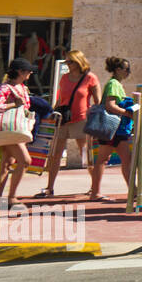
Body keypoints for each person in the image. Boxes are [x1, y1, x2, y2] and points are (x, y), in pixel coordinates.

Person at [41, 50, 101, 197]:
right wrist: (51, 114)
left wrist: (92, 116)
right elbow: (61, 99)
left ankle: (94, 188)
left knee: (86, 154)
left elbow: (98, 101)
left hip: (81, 120)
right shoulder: (65, 78)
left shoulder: (90, 78)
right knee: (56, 155)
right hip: (63, 119)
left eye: (70, 61)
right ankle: (49, 188)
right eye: (66, 61)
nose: (67, 64)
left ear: (78, 61)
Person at [0, 58, 34, 212]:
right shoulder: (6, 88)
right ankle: (12, 197)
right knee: (25, 161)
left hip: (12, 130)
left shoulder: (20, 87)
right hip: (9, 130)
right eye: (28, 70)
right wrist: (14, 104)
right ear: (20, 72)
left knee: (6, 164)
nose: (31, 72)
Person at [88, 57, 136, 201]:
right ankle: (133, 191)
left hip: (112, 129)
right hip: (116, 129)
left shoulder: (114, 84)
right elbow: (110, 105)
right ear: (118, 70)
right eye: (126, 69)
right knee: (122, 161)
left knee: (105, 160)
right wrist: (128, 113)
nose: (129, 72)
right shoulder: (114, 84)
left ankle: (96, 192)